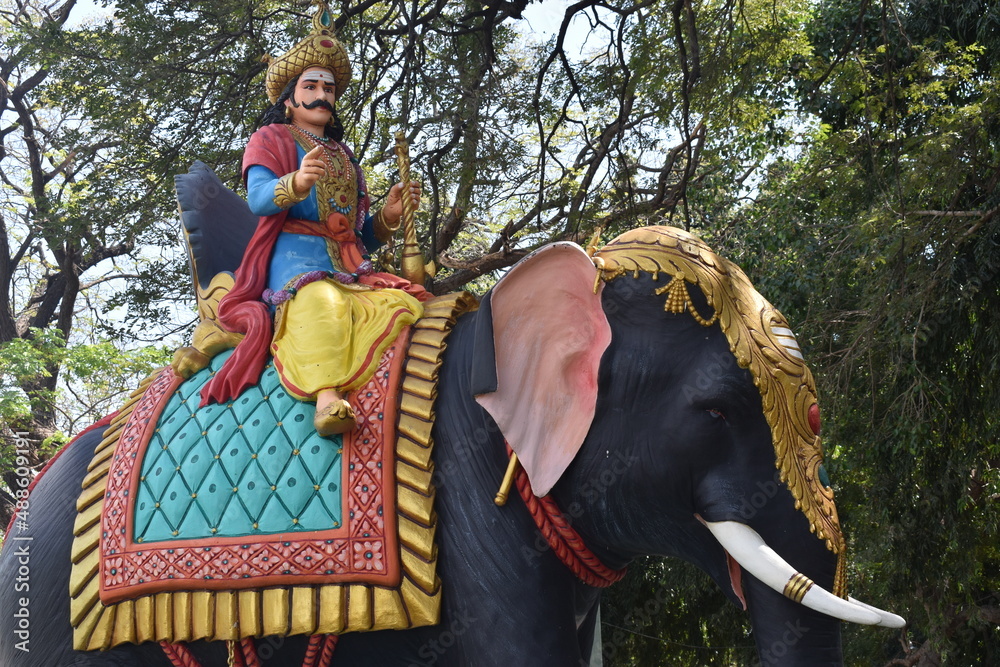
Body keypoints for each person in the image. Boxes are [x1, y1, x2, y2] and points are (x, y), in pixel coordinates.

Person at [199, 2, 430, 436]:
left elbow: (357, 235)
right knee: (318, 302)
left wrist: (388, 216)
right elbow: (259, 200)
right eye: (311, 86)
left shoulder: (344, 155)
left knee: (403, 303)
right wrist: (297, 181)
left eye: (329, 88)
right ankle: (327, 397)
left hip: (349, 265)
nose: (322, 94)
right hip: (295, 262)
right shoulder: (271, 138)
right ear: (289, 99)